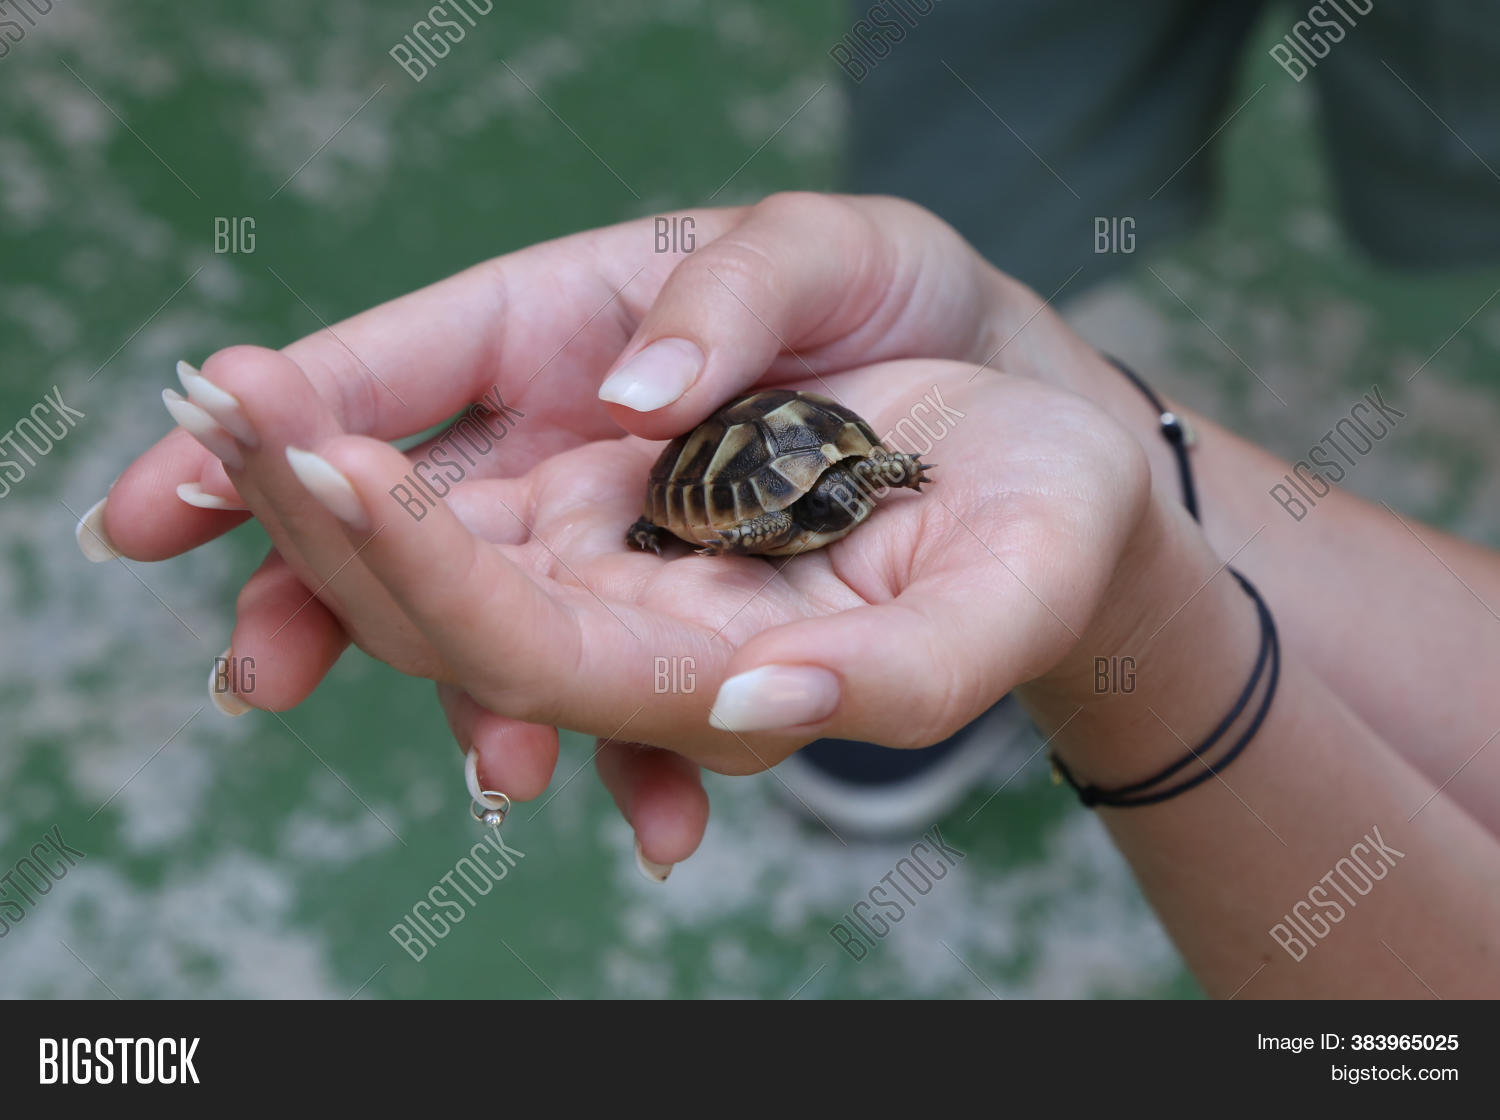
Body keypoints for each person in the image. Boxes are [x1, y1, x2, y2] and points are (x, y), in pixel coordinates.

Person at [78, 193, 1500, 996]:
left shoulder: (841, 490)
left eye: (854, 504)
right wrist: (1022, 361)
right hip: (721, 470)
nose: (842, 511)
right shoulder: (790, 486)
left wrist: (1129, 607)